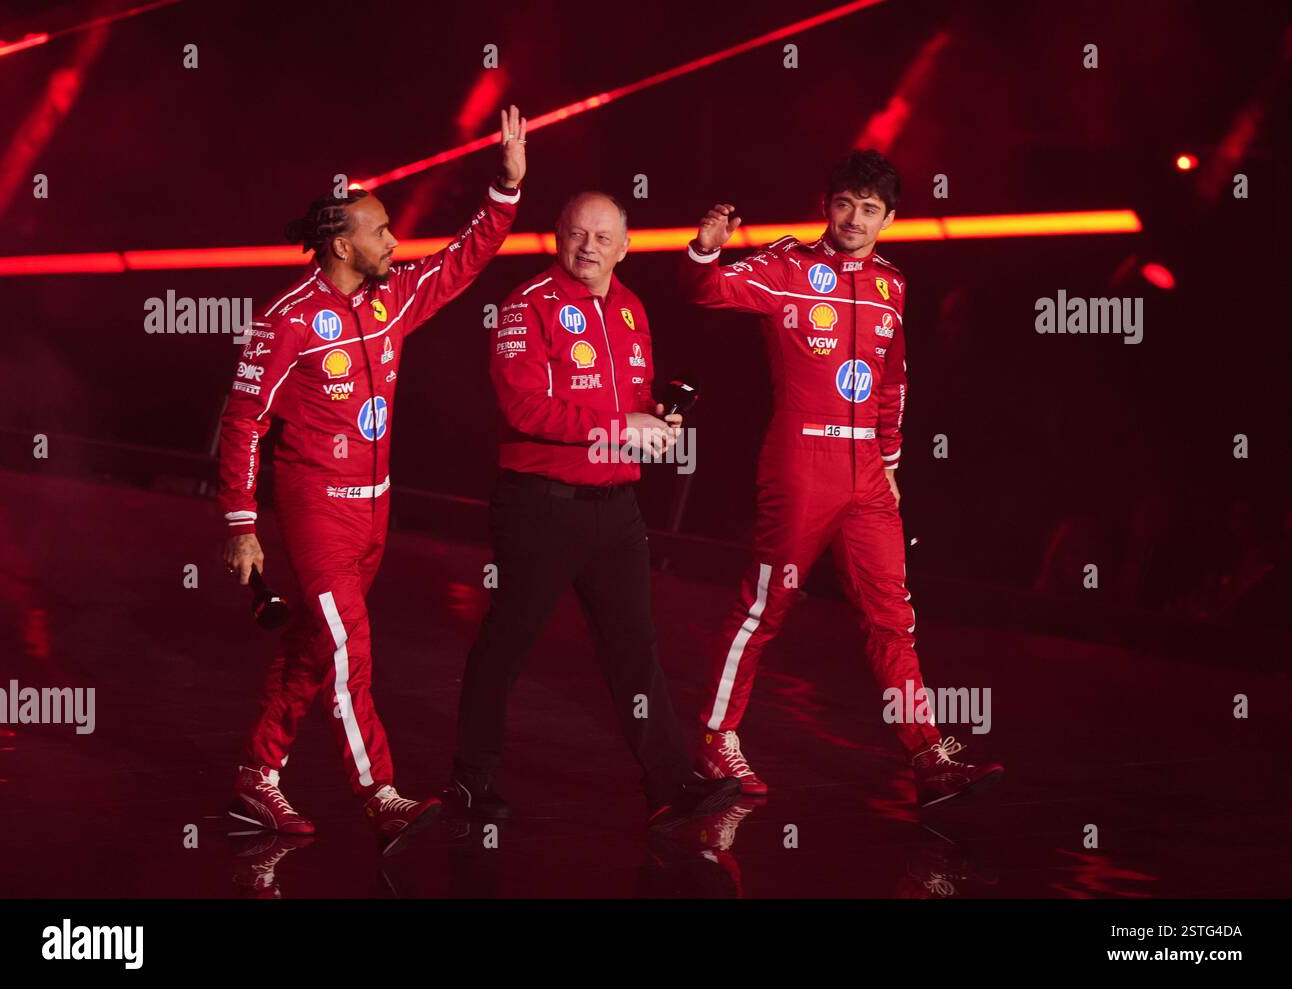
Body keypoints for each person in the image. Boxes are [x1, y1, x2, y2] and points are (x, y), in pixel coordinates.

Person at [218, 107, 527, 854]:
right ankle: (378, 791)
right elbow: (242, 420)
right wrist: (240, 524)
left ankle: (256, 775)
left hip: (375, 512)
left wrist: (506, 189)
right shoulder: (286, 320)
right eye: (380, 230)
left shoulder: (391, 300)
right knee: (350, 645)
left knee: (313, 647)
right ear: (340, 241)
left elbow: (462, 261)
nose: (394, 241)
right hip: (315, 510)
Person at [680, 151, 1003, 808]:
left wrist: (890, 461)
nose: (855, 219)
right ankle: (717, 739)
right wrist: (702, 252)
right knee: (764, 606)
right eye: (844, 204)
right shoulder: (787, 266)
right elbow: (706, 292)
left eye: (870, 209)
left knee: (893, 617)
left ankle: (928, 755)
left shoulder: (892, 283)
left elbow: (893, 381)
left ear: (889, 217)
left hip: (869, 477)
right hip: (801, 460)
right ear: (827, 205)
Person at [443, 191, 740, 829]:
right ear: (558, 236)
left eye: (603, 238)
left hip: (616, 510)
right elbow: (523, 408)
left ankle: (668, 784)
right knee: (507, 647)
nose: (589, 248)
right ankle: (470, 782)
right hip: (541, 506)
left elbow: (629, 408)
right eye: (577, 234)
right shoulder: (527, 306)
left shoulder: (632, 309)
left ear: (624, 246)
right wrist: (619, 423)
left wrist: (656, 419)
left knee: (636, 649)